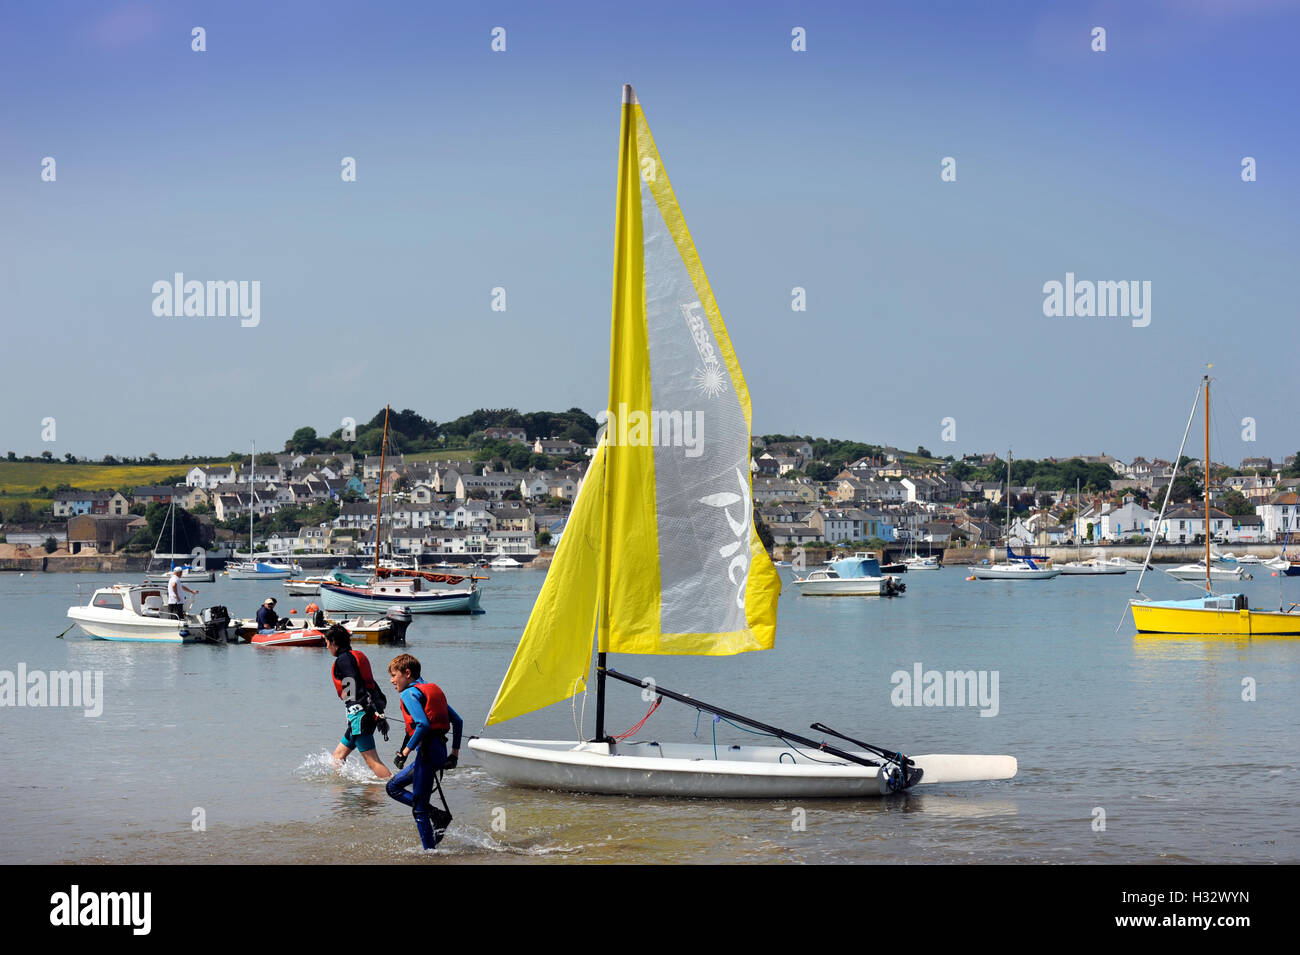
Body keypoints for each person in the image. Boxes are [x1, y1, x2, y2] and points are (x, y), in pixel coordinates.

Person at [386, 653, 462, 850]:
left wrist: (404, 751)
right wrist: (454, 754)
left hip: (427, 753)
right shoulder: (431, 689)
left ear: (407, 673)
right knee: (392, 787)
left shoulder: (409, 693)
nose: (392, 680)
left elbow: (422, 724)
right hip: (438, 752)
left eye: (394, 675)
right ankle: (437, 815)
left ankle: (429, 855)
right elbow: (458, 721)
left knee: (419, 810)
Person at [324, 624, 392, 780]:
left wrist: (363, 707)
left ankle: (393, 787)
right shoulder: (355, 655)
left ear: (334, 642)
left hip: (360, 715)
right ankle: (342, 797)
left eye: (327, 642)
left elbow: (352, 684)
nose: (327, 646)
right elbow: (371, 686)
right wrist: (377, 708)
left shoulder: (343, 660)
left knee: (372, 762)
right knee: (338, 756)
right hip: (365, 712)